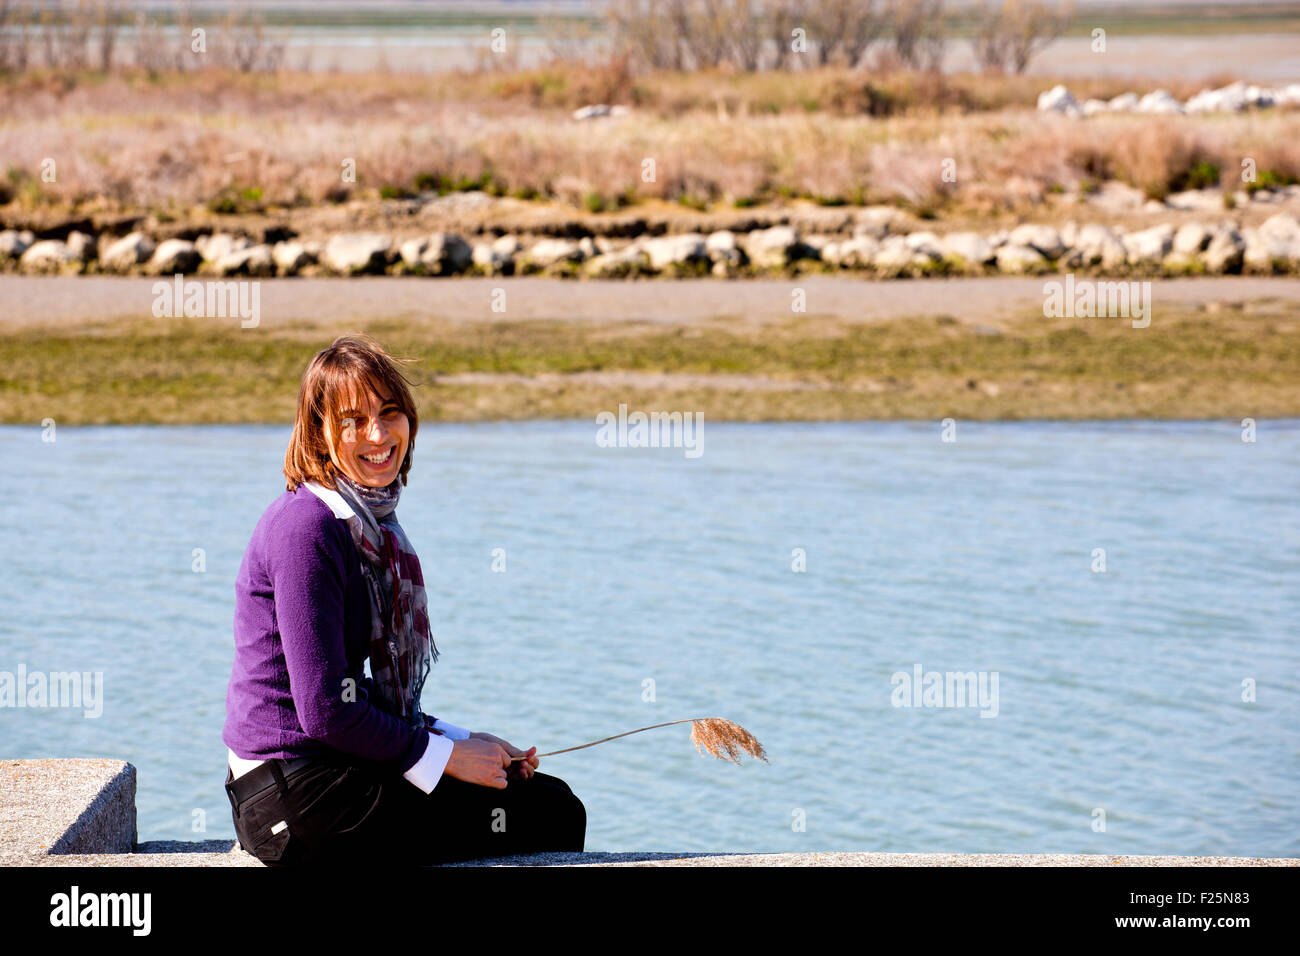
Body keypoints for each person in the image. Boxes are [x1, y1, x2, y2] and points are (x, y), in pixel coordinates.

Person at [222, 332, 586, 865]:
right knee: (549, 814)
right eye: (353, 420)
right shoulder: (306, 529)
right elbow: (324, 710)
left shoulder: (363, 524)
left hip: (328, 766)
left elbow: (352, 693)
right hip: (291, 795)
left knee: (547, 797)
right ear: (321, 434)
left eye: (390, 412)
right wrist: (443, 758)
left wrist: (461, 739)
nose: (378, 433)